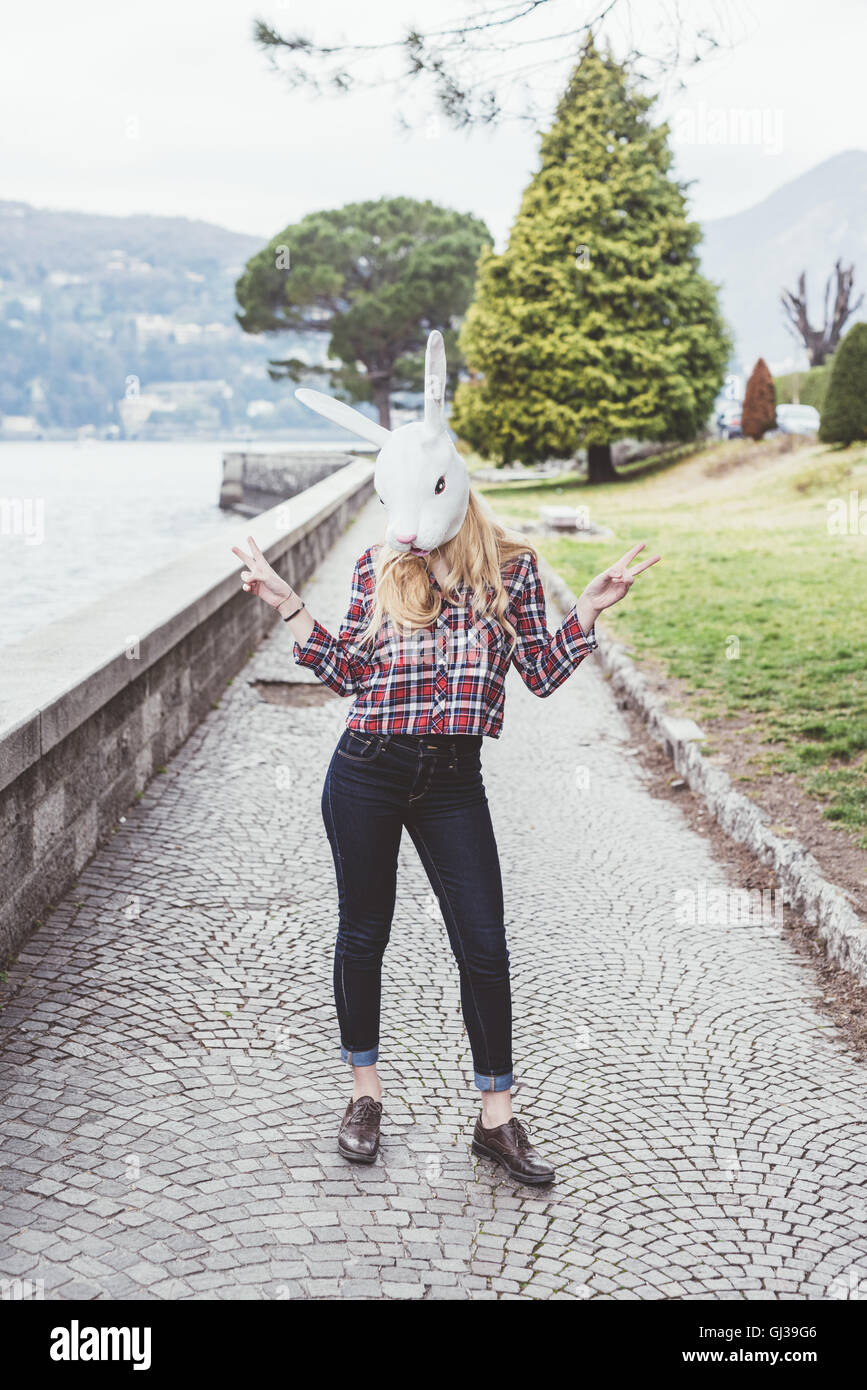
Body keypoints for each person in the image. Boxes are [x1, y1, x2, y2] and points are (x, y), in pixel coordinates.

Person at [232, 332, 659, 1185]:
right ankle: (365, 1095)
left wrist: (592, 611)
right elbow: (352, 673)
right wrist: (287, 605)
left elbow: (538, 672)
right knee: (363, 934)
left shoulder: (513, 572)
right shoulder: (377, 566)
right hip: (367, 768)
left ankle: (495, 1120)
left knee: (485, 943)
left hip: (454, 780)